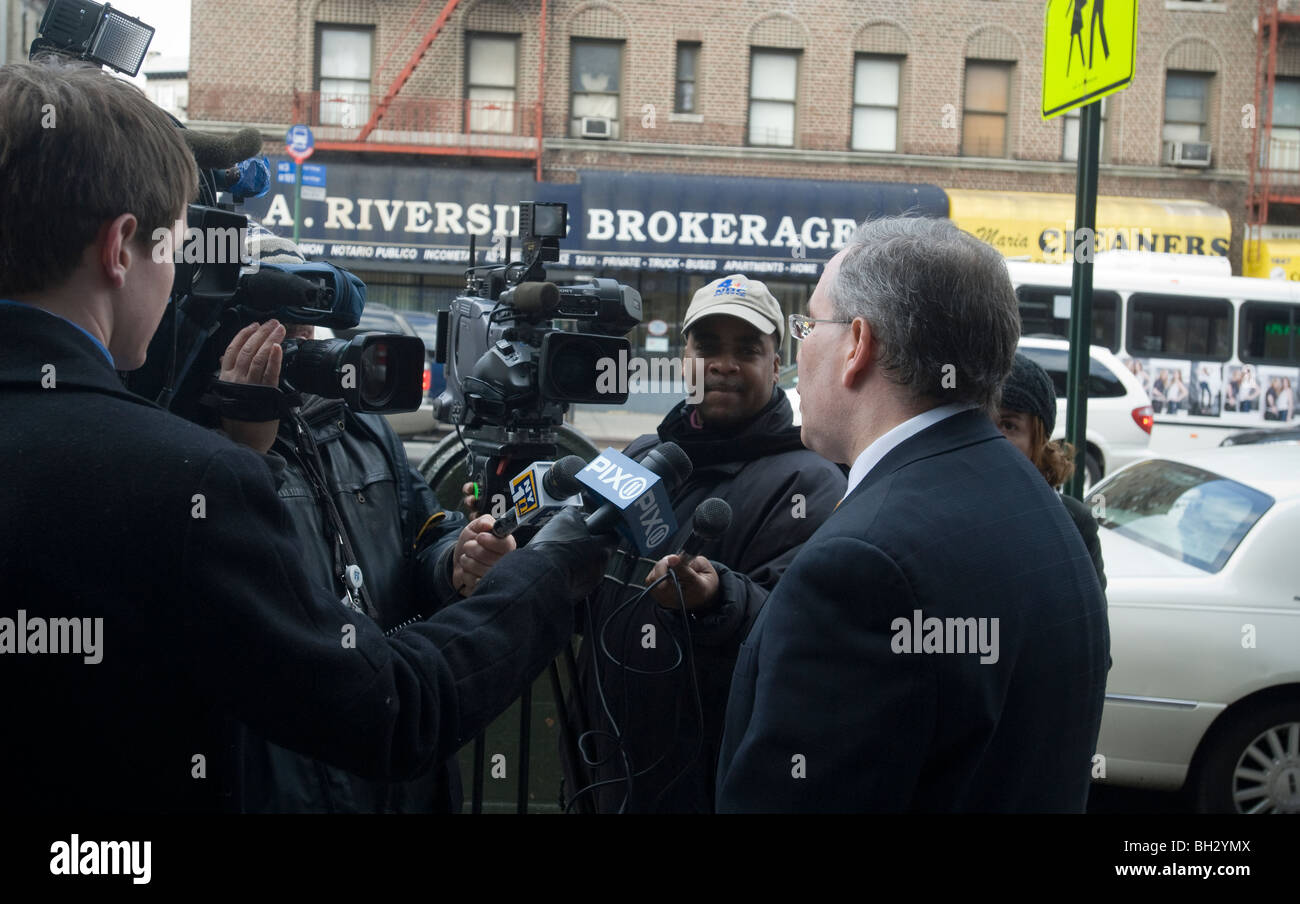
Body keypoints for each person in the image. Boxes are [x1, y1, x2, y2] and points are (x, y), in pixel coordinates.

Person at [0, 57, 612, 812]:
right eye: (179, 249)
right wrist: (548, 574)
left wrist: (456, 557)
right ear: (119, 247)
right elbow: (392, 713)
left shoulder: (263, 452)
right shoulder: (188, 474)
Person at [715, 216, 1110, 812]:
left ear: (857, 346)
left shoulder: (863, 567)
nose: (799, 346)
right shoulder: (1043, 511)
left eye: (807, 324)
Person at [212, 232, 514, 812]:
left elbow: (423, 532)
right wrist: (244, 450)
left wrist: (456, 559)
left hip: (391, 754)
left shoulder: (361, 428)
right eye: (275, 320)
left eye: (307, 321)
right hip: (281, 777)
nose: (295, 338)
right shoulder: (194, 437)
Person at [561, 274, 846, 813]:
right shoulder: (644, 453)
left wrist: (717, 601)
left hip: (709, 787)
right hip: (599, 776)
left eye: (747, 349)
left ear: (776, 362)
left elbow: (800, 632)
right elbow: (588, 593)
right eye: (707, 346)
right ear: (684, 354)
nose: (723, 364)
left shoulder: (810, 481)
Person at [996, 353, 1106, 591]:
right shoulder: (944, 508)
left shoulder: (1074, 523)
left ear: (1038, 439)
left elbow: (1090, 619)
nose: (991, 437)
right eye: (982, 422)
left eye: (1008, 425)